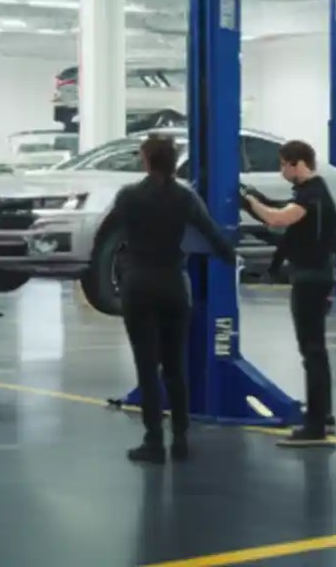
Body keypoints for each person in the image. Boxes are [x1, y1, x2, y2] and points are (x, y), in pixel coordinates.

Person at [100, 134, 237, 463]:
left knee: (147, 366)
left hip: (138, 284)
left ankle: (152, 440)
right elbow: (213, 235)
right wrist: (232, 257)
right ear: (174, 162)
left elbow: (105, 234)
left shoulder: (129, 196)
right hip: (173, 285)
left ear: (145, 160)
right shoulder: (184, 198)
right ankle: (181, 437)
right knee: (175, 365)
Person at [241, 140, 336, 447]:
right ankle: (322, 414)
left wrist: (246, 202)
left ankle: (315, 427)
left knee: (311, 352)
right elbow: (281, 212)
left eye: (283, 164)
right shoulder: (313, 193)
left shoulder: (312, 194)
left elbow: (278, 219)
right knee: (316, 352)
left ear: (298, 164)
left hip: (311, 281)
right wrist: (256, 198)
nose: (281, 170)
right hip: (318, 277)